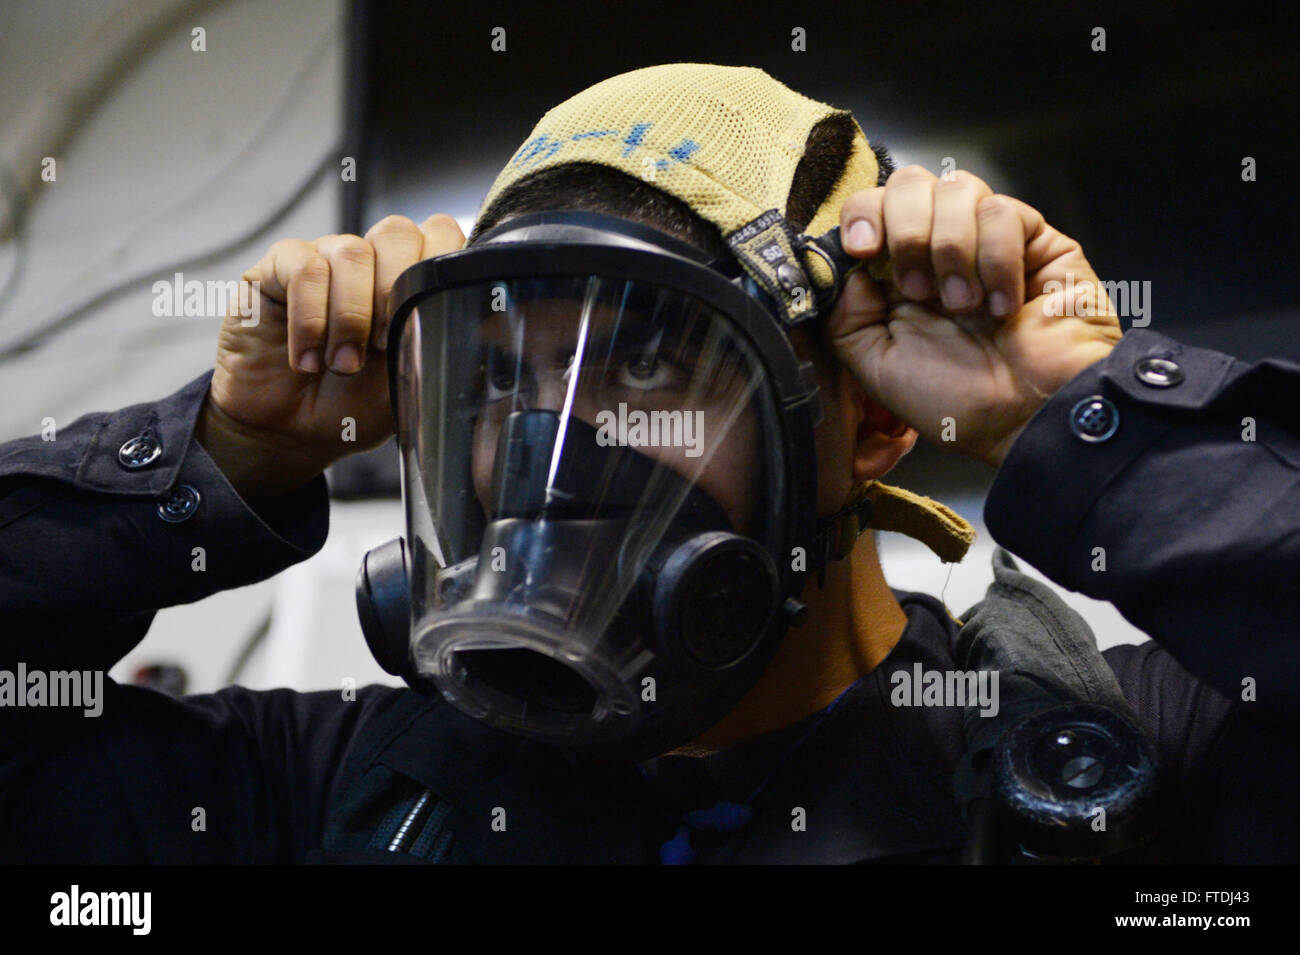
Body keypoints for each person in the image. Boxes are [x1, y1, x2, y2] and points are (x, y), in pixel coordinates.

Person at [2, 64, 1297, 864]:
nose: (552, 445)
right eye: (501, 375)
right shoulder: (330, 797)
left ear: (867, 421)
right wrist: (216, 465)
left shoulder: (1129, 769)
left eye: (643, 364)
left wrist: (1082, 417)